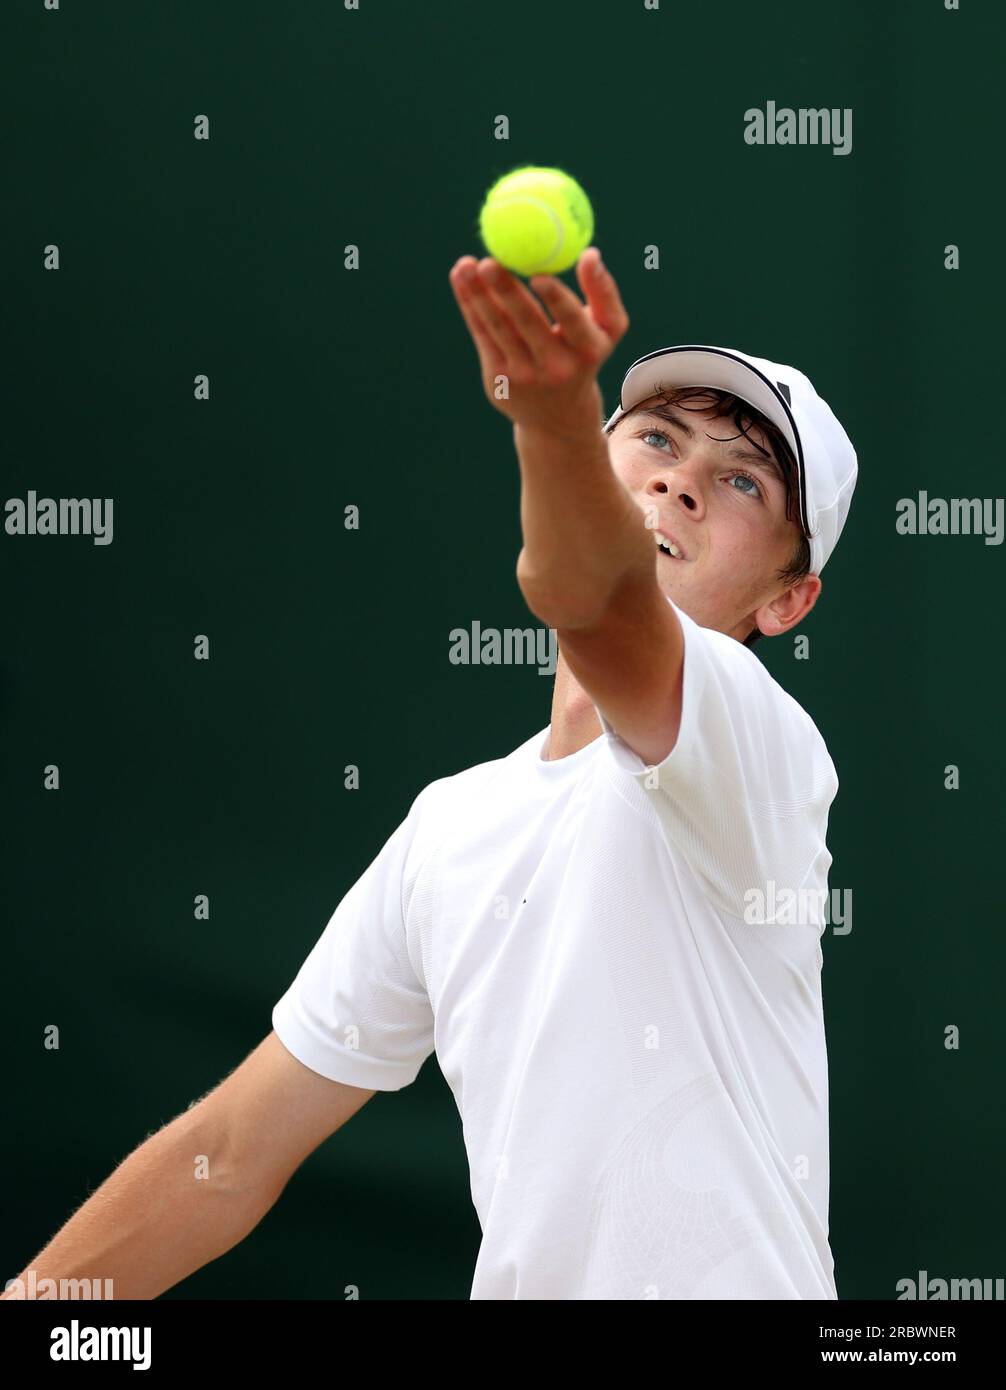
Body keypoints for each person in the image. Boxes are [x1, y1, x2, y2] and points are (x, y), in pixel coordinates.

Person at [3, 249, 856, 1302]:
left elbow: (590, 598)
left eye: (740, 480)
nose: (679, 478)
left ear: (786, 601)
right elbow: (225, 1154)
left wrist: (548, 425)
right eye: (656, 438)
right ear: (602, 463)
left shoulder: (761, 748)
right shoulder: (450, 830)